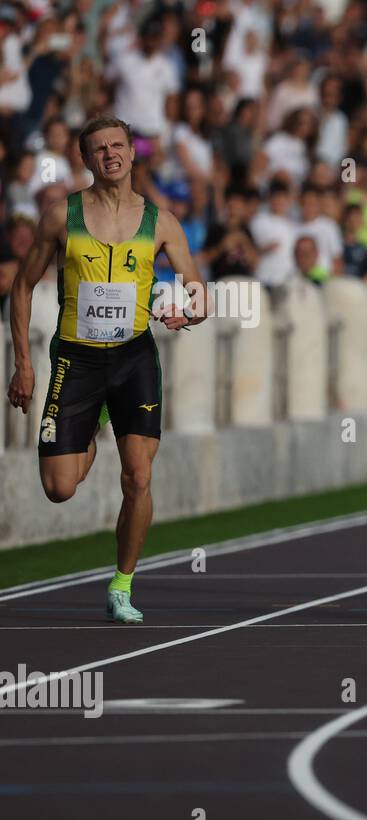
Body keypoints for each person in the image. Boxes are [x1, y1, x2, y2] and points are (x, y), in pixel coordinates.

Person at [5, 115, 208, 623]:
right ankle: (93, 424)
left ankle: (122, 585)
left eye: (118, 145)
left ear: (133, 153)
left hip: (134, 358)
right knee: (59, 488)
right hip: (76, 359)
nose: (110, 154)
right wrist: (23, 364)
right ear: (86, 159)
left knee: (137, 476)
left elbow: (198, 289)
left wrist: (189, 309)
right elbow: (22, 287)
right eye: (99, 149)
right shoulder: (60, 216)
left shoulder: (160, 221)